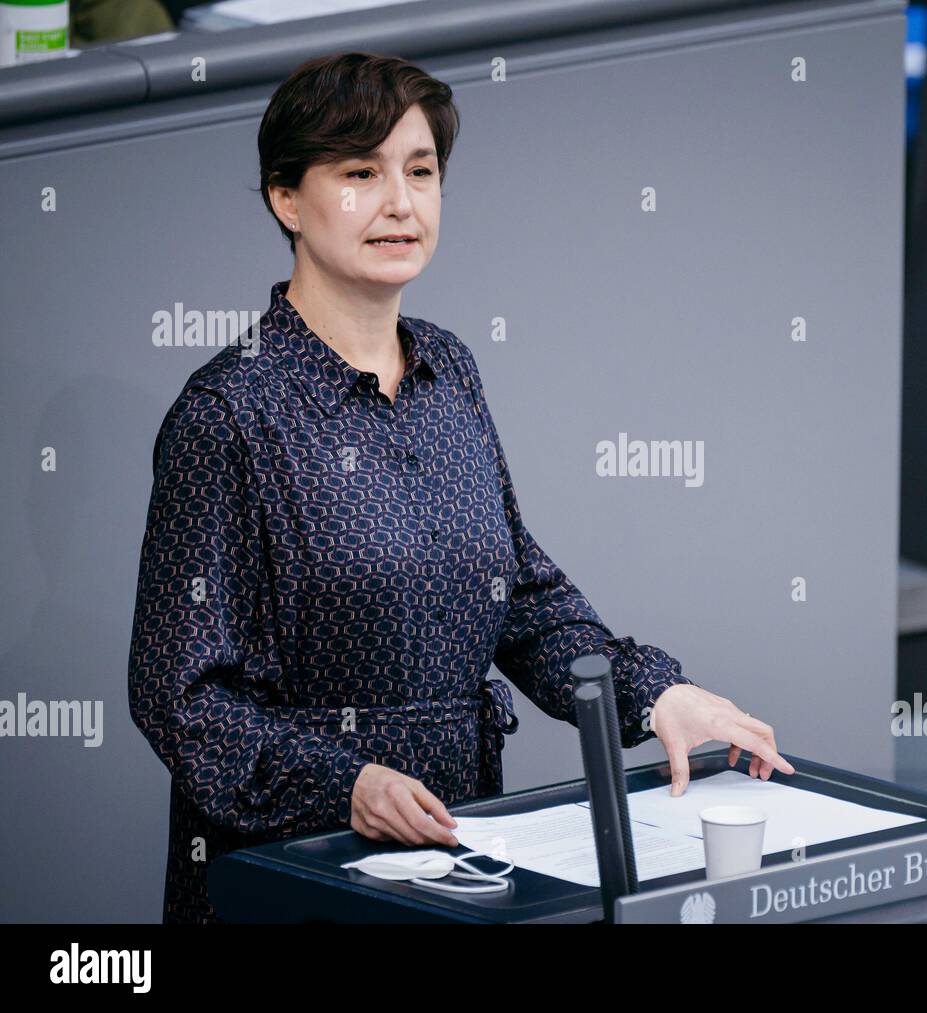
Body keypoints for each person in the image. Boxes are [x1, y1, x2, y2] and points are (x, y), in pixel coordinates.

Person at [127, 51, 792, 924]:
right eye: (360, 172)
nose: (400, 202)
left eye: (421, 171)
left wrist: (654, 693)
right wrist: (347, 783)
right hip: (295, 870)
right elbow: (181, 699)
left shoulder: (452, 369)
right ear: (285, 198)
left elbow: (517, 596)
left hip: (456, 850)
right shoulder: (229, 414)